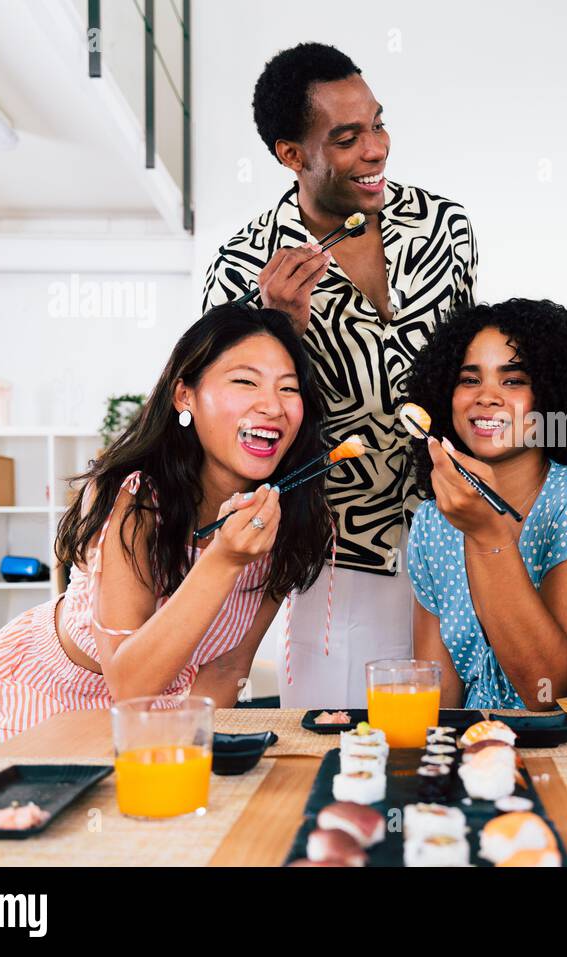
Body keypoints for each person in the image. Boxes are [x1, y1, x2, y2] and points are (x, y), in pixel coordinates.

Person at [202, 43, 478, 707]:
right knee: (341, 763)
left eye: (378, 125)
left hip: (458, 539)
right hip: (336, 561)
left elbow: (472, 373)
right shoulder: (242, 269)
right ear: (290, 154)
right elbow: (234, 440)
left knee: (456, 762)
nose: (376, 150)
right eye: (347, 137)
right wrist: (280, 333)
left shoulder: (447, 228)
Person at [0, 306, 333, 749]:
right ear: (185, 396)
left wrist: (184, 752)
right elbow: (130, 687)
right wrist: (225, 558)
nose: (272, 405)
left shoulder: (287, 517)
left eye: (288, 388)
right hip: (44, 696)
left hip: (165, 705)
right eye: (244, 381)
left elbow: (227, 669)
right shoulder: (136, 499)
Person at [404, 300, 567, 709]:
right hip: (476, 750)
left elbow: (544, 691)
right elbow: (438, 697)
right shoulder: (433, 520)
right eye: (469, 380)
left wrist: (485, 535)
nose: (486, 398)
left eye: (513, 380)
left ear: (553, 395)